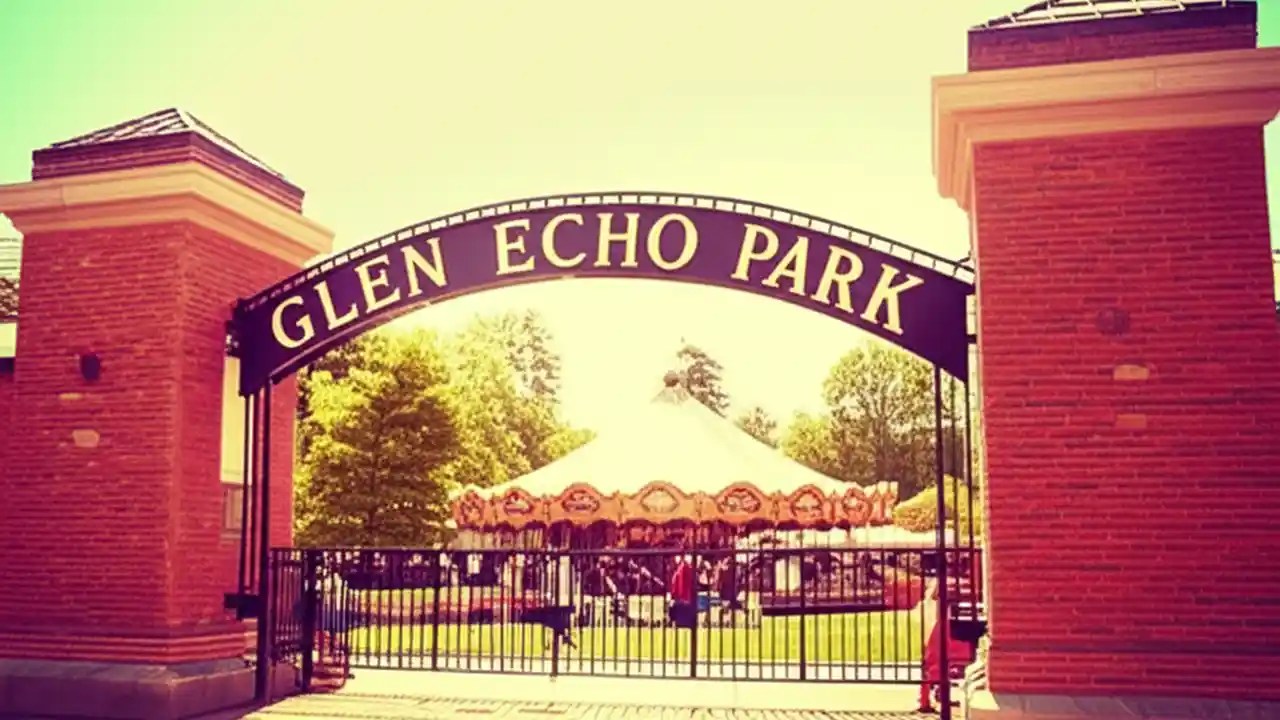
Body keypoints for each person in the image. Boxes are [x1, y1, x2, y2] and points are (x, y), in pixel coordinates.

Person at [668, 554, 696, 629]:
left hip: (682, 597)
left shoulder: (683, 568)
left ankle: (674, 622)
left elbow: (681, 583)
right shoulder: (681, 568)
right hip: (681, 597)